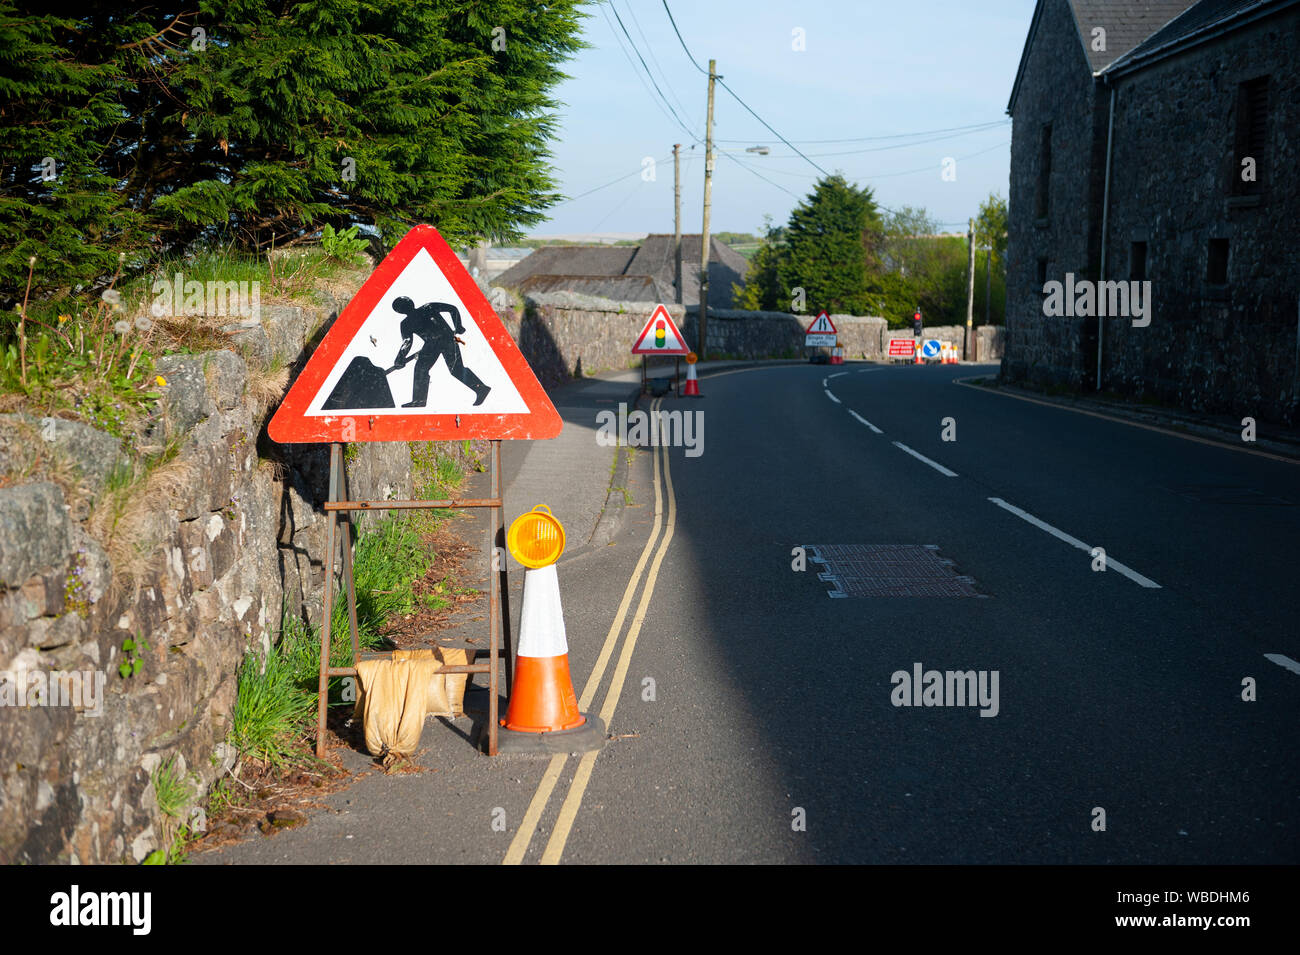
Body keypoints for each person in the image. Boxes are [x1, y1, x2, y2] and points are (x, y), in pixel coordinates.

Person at [389, 296, 491, 407]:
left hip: (446, 339)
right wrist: (400, 357)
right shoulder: (406, 323)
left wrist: (458, 326)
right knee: (421, 369)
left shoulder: (428, 307)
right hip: (431, 345)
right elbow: (407, 341)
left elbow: (452, 309)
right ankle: (419, 400)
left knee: (455, 369)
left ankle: (481, 388)